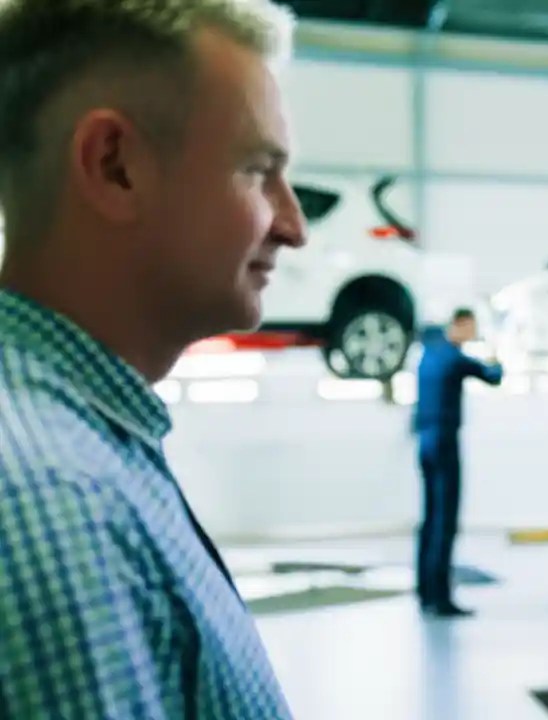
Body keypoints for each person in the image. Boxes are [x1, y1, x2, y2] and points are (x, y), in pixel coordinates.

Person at [0, 1, 305, 718]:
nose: (292, 226)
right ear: (115, 167)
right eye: (258, 170)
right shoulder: (56, 501)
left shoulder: (88, 445)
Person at [413, 308, 503, 617]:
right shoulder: (454, 357)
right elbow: (494, 376)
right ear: (461, 325)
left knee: (429, 520)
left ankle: (425, 592)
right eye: (472, 328)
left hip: (424, 442)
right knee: (445, 521)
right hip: (444, 443)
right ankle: (441, 598)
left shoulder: (427, 354)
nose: (472, 334)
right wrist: (494, 353)